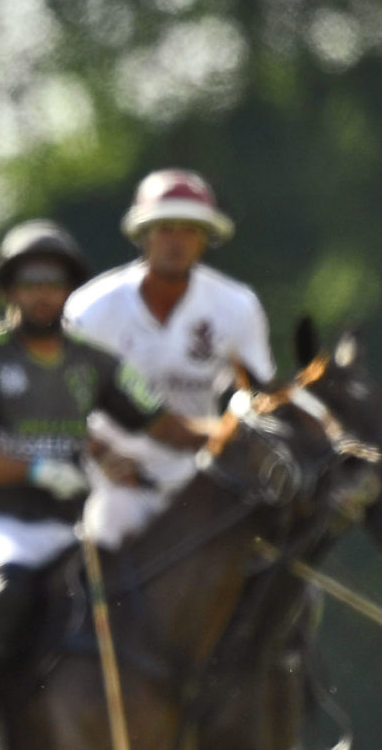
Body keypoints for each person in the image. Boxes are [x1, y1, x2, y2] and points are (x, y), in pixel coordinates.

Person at [0, 219, 207, 750]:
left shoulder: (94, 362)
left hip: (61, 529)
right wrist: (31, 469)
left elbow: (164, 425)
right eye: (29, 281)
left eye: (53, 282)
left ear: (68, 289)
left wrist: (236, 432)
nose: (42, 293)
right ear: (9, 290)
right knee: (7, 593)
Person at [65, 170, 274, 548]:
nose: (177, 241)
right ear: (143, 234)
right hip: (117, 483)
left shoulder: (237, 306)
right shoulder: (92, 309)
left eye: (190, 229)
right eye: (166, 228)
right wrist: (101, 455)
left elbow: (260, 398)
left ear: (206, 238)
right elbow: (62, 402)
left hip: (204, 478)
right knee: (106, 544)